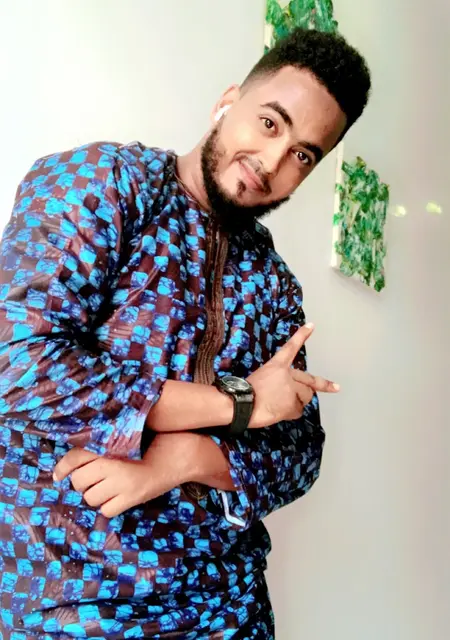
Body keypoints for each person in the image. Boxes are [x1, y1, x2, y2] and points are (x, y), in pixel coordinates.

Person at [0, 27, 370, 640]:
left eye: (303, 155)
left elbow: (300, 454)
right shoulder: (103, 183)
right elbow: (18, 364)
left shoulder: (275, 283)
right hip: (71, 603)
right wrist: (237, 404)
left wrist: (185, 459)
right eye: (270, 123)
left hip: (230, 610)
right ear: (228, 101)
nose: (272, 162)